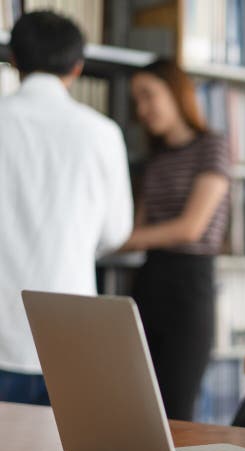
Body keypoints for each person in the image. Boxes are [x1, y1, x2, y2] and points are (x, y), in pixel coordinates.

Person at [0, 11, 133, 405]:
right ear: (77, 67)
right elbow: (116, 233)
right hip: (68, 334)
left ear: (14, 59)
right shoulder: (102, 133)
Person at [122, 59, 231, 421]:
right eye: (137, 100)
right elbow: (137, 225)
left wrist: (127, 239)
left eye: (148, 96)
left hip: (189, 287)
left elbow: (191, 228)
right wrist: (129, 237)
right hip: (148, 282)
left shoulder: (212, 147)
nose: (142, 109)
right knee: (137, 407)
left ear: (177, 93)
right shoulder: (155, 159)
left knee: (176, 412)